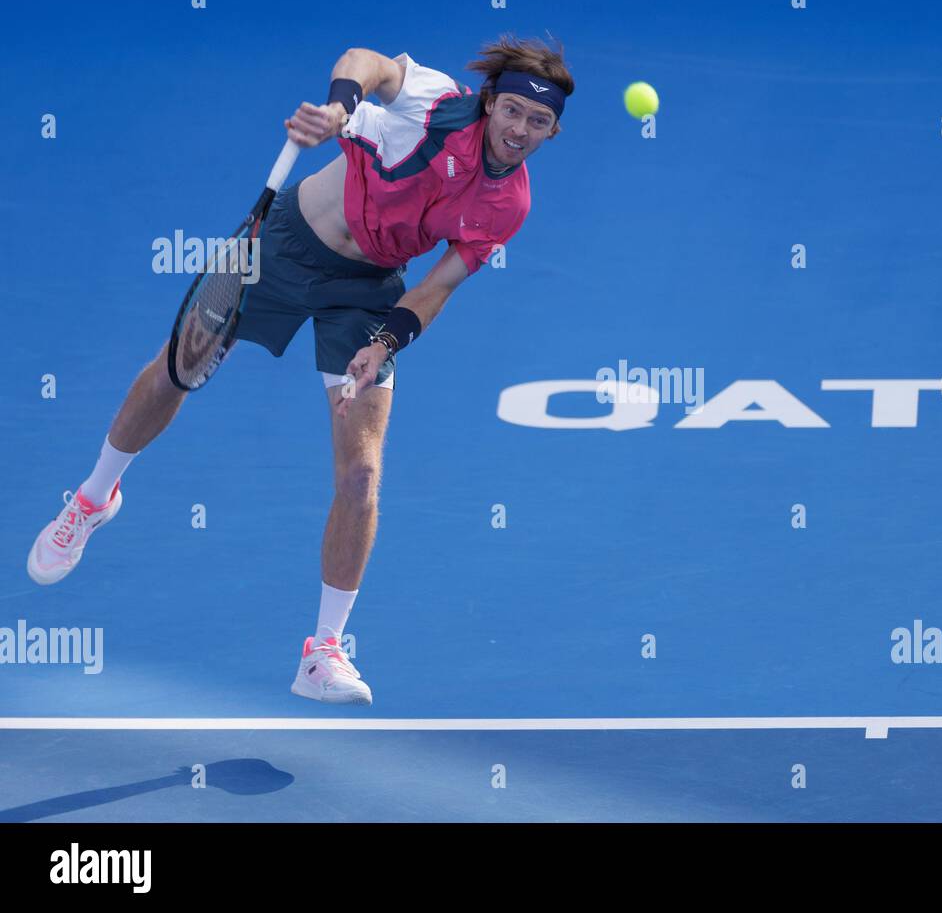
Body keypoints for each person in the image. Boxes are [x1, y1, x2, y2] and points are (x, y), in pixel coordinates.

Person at [26, 35, 574, 705]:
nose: (520, 129)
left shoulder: (509, 203)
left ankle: (323, 651)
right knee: (179, 367)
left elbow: (437, 287)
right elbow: (364, 61)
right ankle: (92, 499)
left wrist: (387, 341)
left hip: (368, 291)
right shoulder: (435, 104)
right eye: (513, 110)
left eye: (538, 121)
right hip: (282, 247)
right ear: (490, 104)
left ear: (553, 131)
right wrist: (341, 110)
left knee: (363, 470)